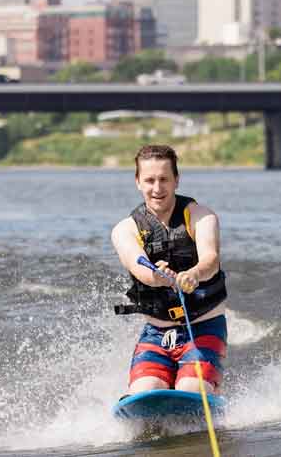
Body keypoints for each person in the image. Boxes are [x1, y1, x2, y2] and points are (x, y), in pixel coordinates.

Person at [111, 144, 228, 396]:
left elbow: (211, 259)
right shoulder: (124, 229)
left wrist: (193, 274)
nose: (157, 188)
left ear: (177, 180)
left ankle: (206, 388)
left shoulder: (201, 216)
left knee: (190, 387)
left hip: (203, 328)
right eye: (149, 180)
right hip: (157, 334)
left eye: (164, 179)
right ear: (137, 182)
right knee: (147, 391)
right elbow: (137, 264)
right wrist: (156, 276)